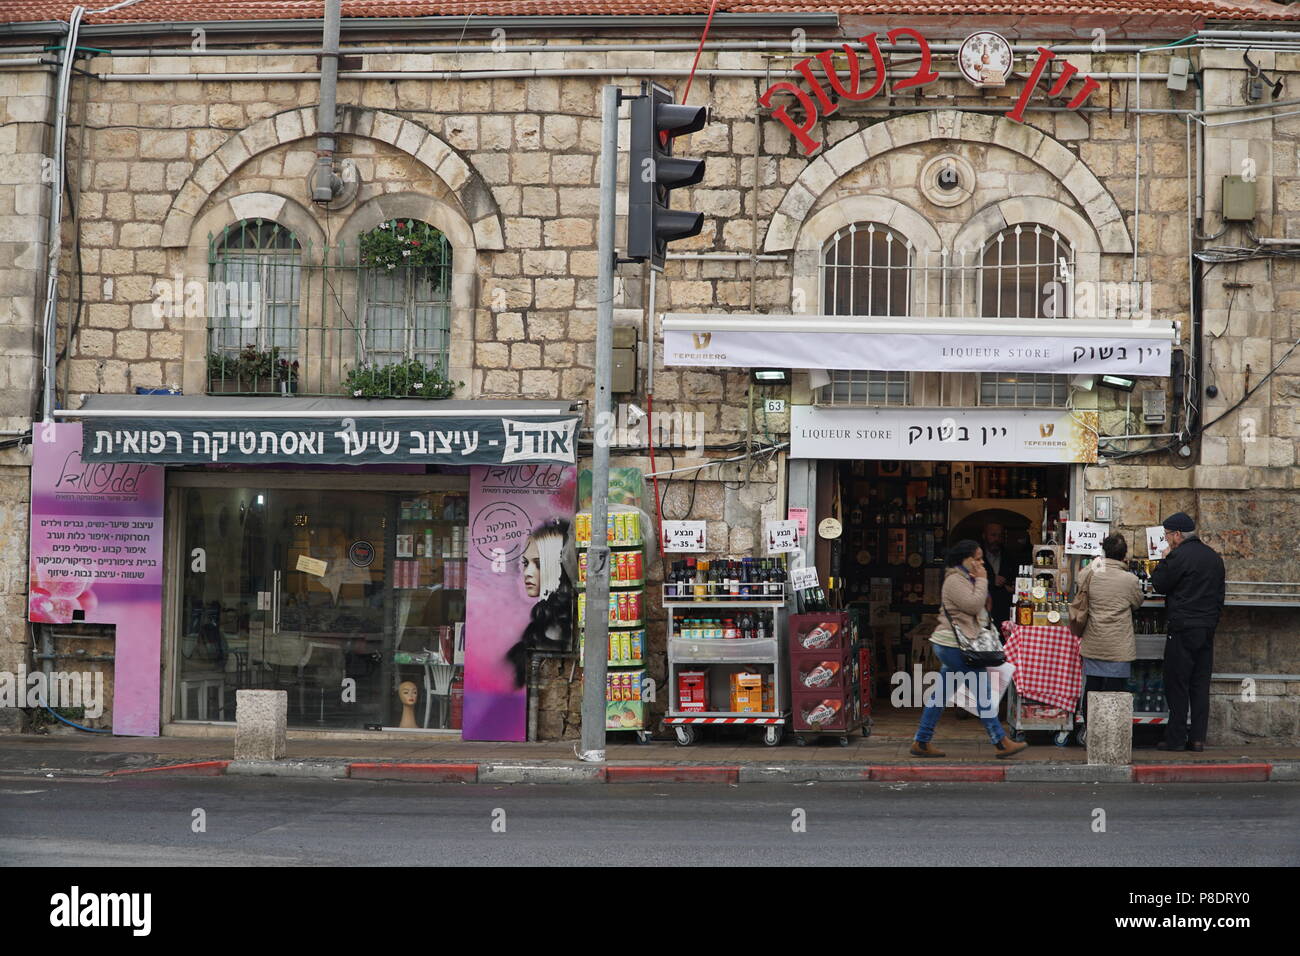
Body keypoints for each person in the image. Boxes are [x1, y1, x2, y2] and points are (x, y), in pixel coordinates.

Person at [912, 539, 1028, 758]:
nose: (981, 563)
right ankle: (1000, 741)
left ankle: (922, 740)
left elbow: (980, 607)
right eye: (977, 558)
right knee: (982, 691)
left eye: (981, 559)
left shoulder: (965, 579)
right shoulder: (955, 580)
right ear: (964, 559)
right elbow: (974, 604)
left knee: (940, 695)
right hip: (954, 645)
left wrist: (980, 582)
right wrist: (984, 580)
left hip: (955, 645)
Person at [1150, 512, 1225, 752]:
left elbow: (1159, 584)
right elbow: (1219, 595)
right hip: (1206, 629)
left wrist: (1164, 560)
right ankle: (1197, 739)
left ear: (1177, 534)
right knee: (1200, 685)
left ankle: (1175, 739)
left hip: (1182, 628)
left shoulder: (1178, 556)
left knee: (1177, 683)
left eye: (1167, 536)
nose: (1166, 541)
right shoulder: (1213, 557)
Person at [1070, 533, 1143, 727]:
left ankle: (1090, 728)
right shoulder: (1129, 579)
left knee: (1092, 687)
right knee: (1115, 691)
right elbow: (1137, 602)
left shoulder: (1093, 572)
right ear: (1124, 555)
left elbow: (1080, 578)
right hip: (1118, 645)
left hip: (1094, 641)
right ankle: (1110, 731)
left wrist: (1097, 561)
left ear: (1104, 552)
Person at [505, 518, 576, 688]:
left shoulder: (555, 627)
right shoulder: (540, 620)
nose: (527, 573)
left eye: (538, 564)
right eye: (526, 563)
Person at [981, 521, 1020, 627]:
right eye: (993, 535)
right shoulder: (977, 556)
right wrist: (992, 580)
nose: (997, 539)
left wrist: (1012, 587)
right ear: (984, 536)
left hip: (1004, 613)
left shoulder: (1009, 556)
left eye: (1000, 535)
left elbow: (1016, 579)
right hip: (982, 610)